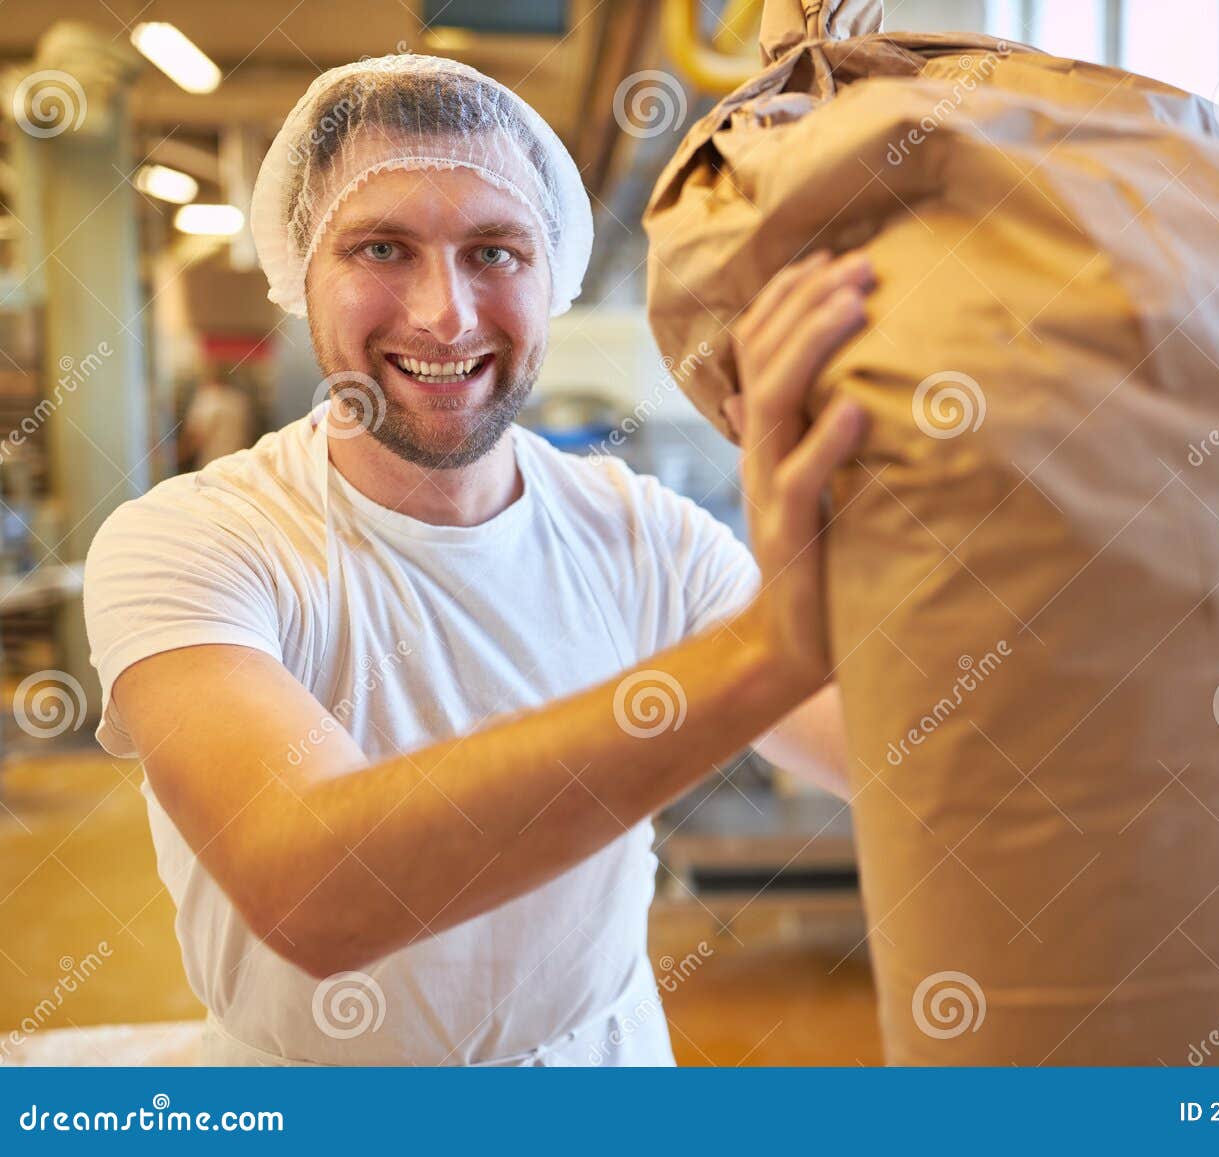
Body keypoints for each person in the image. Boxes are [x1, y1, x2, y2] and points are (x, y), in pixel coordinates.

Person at [82, 55, 874, 1066]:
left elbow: (891, 755)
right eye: (381, 247)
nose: (444, 315)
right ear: (299, 272)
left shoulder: (650, 539)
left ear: (553, 275)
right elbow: (316, 888)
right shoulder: (195, 541)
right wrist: (762, 654)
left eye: (495, 251)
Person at [178, 375, 255, 468]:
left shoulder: (208, 398)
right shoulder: (239, 399)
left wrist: (177, 457)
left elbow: (196, 437)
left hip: (211, 463)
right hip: (237, 463)